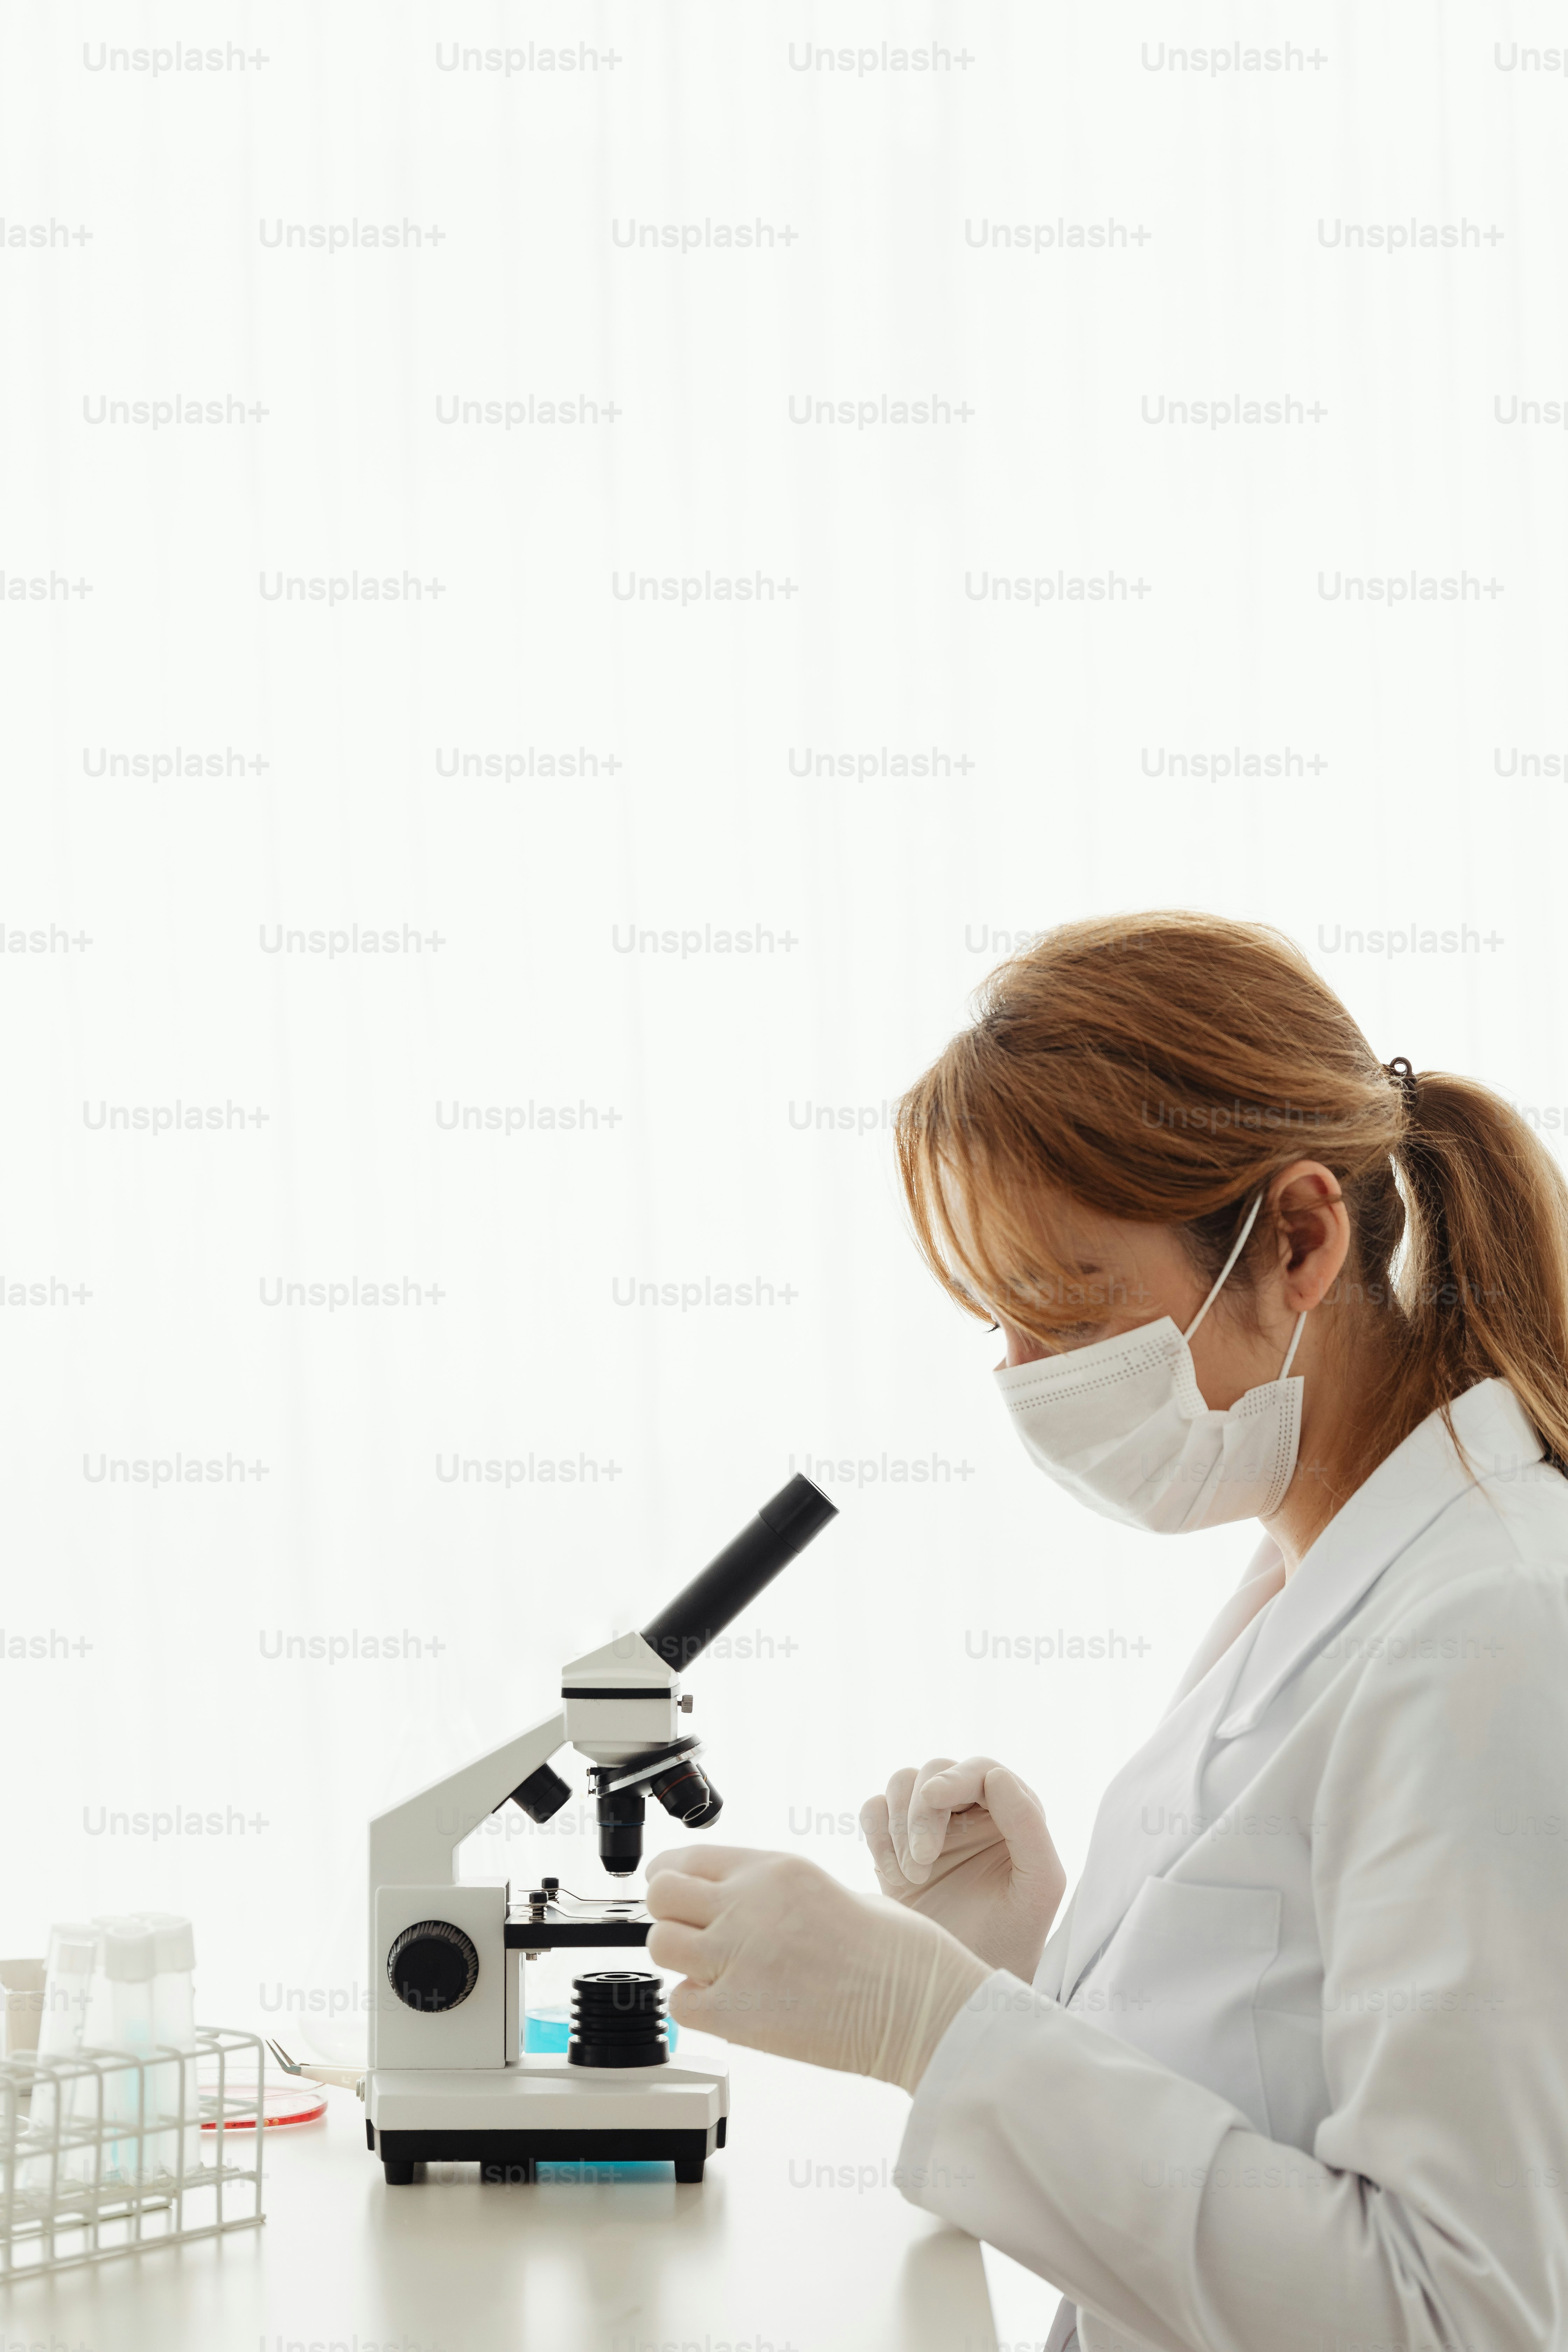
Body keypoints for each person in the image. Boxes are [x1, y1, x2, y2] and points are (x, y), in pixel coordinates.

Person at [647, 910, 1568, 2352]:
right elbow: (1259, 2112)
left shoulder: (1495, 1628)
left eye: (1068, 1310)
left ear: (1301, 1241)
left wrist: (938, 2027)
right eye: (997, 1321)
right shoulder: (1311, 1578)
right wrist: (1031, 1980)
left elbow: (1454, 2317)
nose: (1023, 1379)